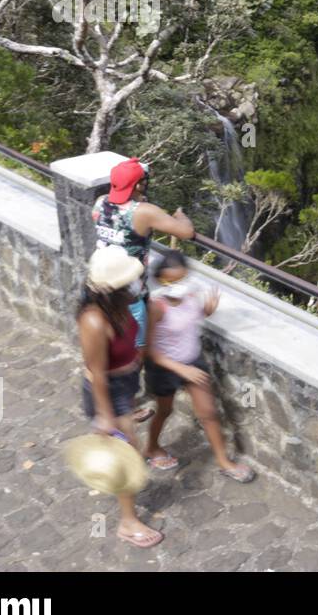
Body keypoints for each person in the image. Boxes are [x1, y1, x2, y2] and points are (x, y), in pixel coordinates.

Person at [93, 158, 195, 422]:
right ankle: (124, 405)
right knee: (131, 354)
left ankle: (104, 395)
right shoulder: (143, 211)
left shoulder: (101, 202)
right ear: (138, 184)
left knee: (109, 347)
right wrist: (180, 215)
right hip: (130, 294)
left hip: (100, 285)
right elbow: (185, 232)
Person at [77, 245, 163, 548]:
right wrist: (104, 415)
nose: (135, 284)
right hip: (109, 393)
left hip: (124, 386)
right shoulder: (94, 321)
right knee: (126, 454)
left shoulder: (120, 306)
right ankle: (128, 522)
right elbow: (97, 372)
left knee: (129, 448)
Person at [143, 251, 255, 483]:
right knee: (164, 411)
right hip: (165, 367)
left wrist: (207, 311)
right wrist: (180, 369)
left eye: (182, 279)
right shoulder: (157, 306)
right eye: (171, 281)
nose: (178, 285)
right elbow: (149, 349)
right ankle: (152, 447)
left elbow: (190, 318)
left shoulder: (191, 295)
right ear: (161, 280)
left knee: (209, 413)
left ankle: (225, 462)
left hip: (193, 360)